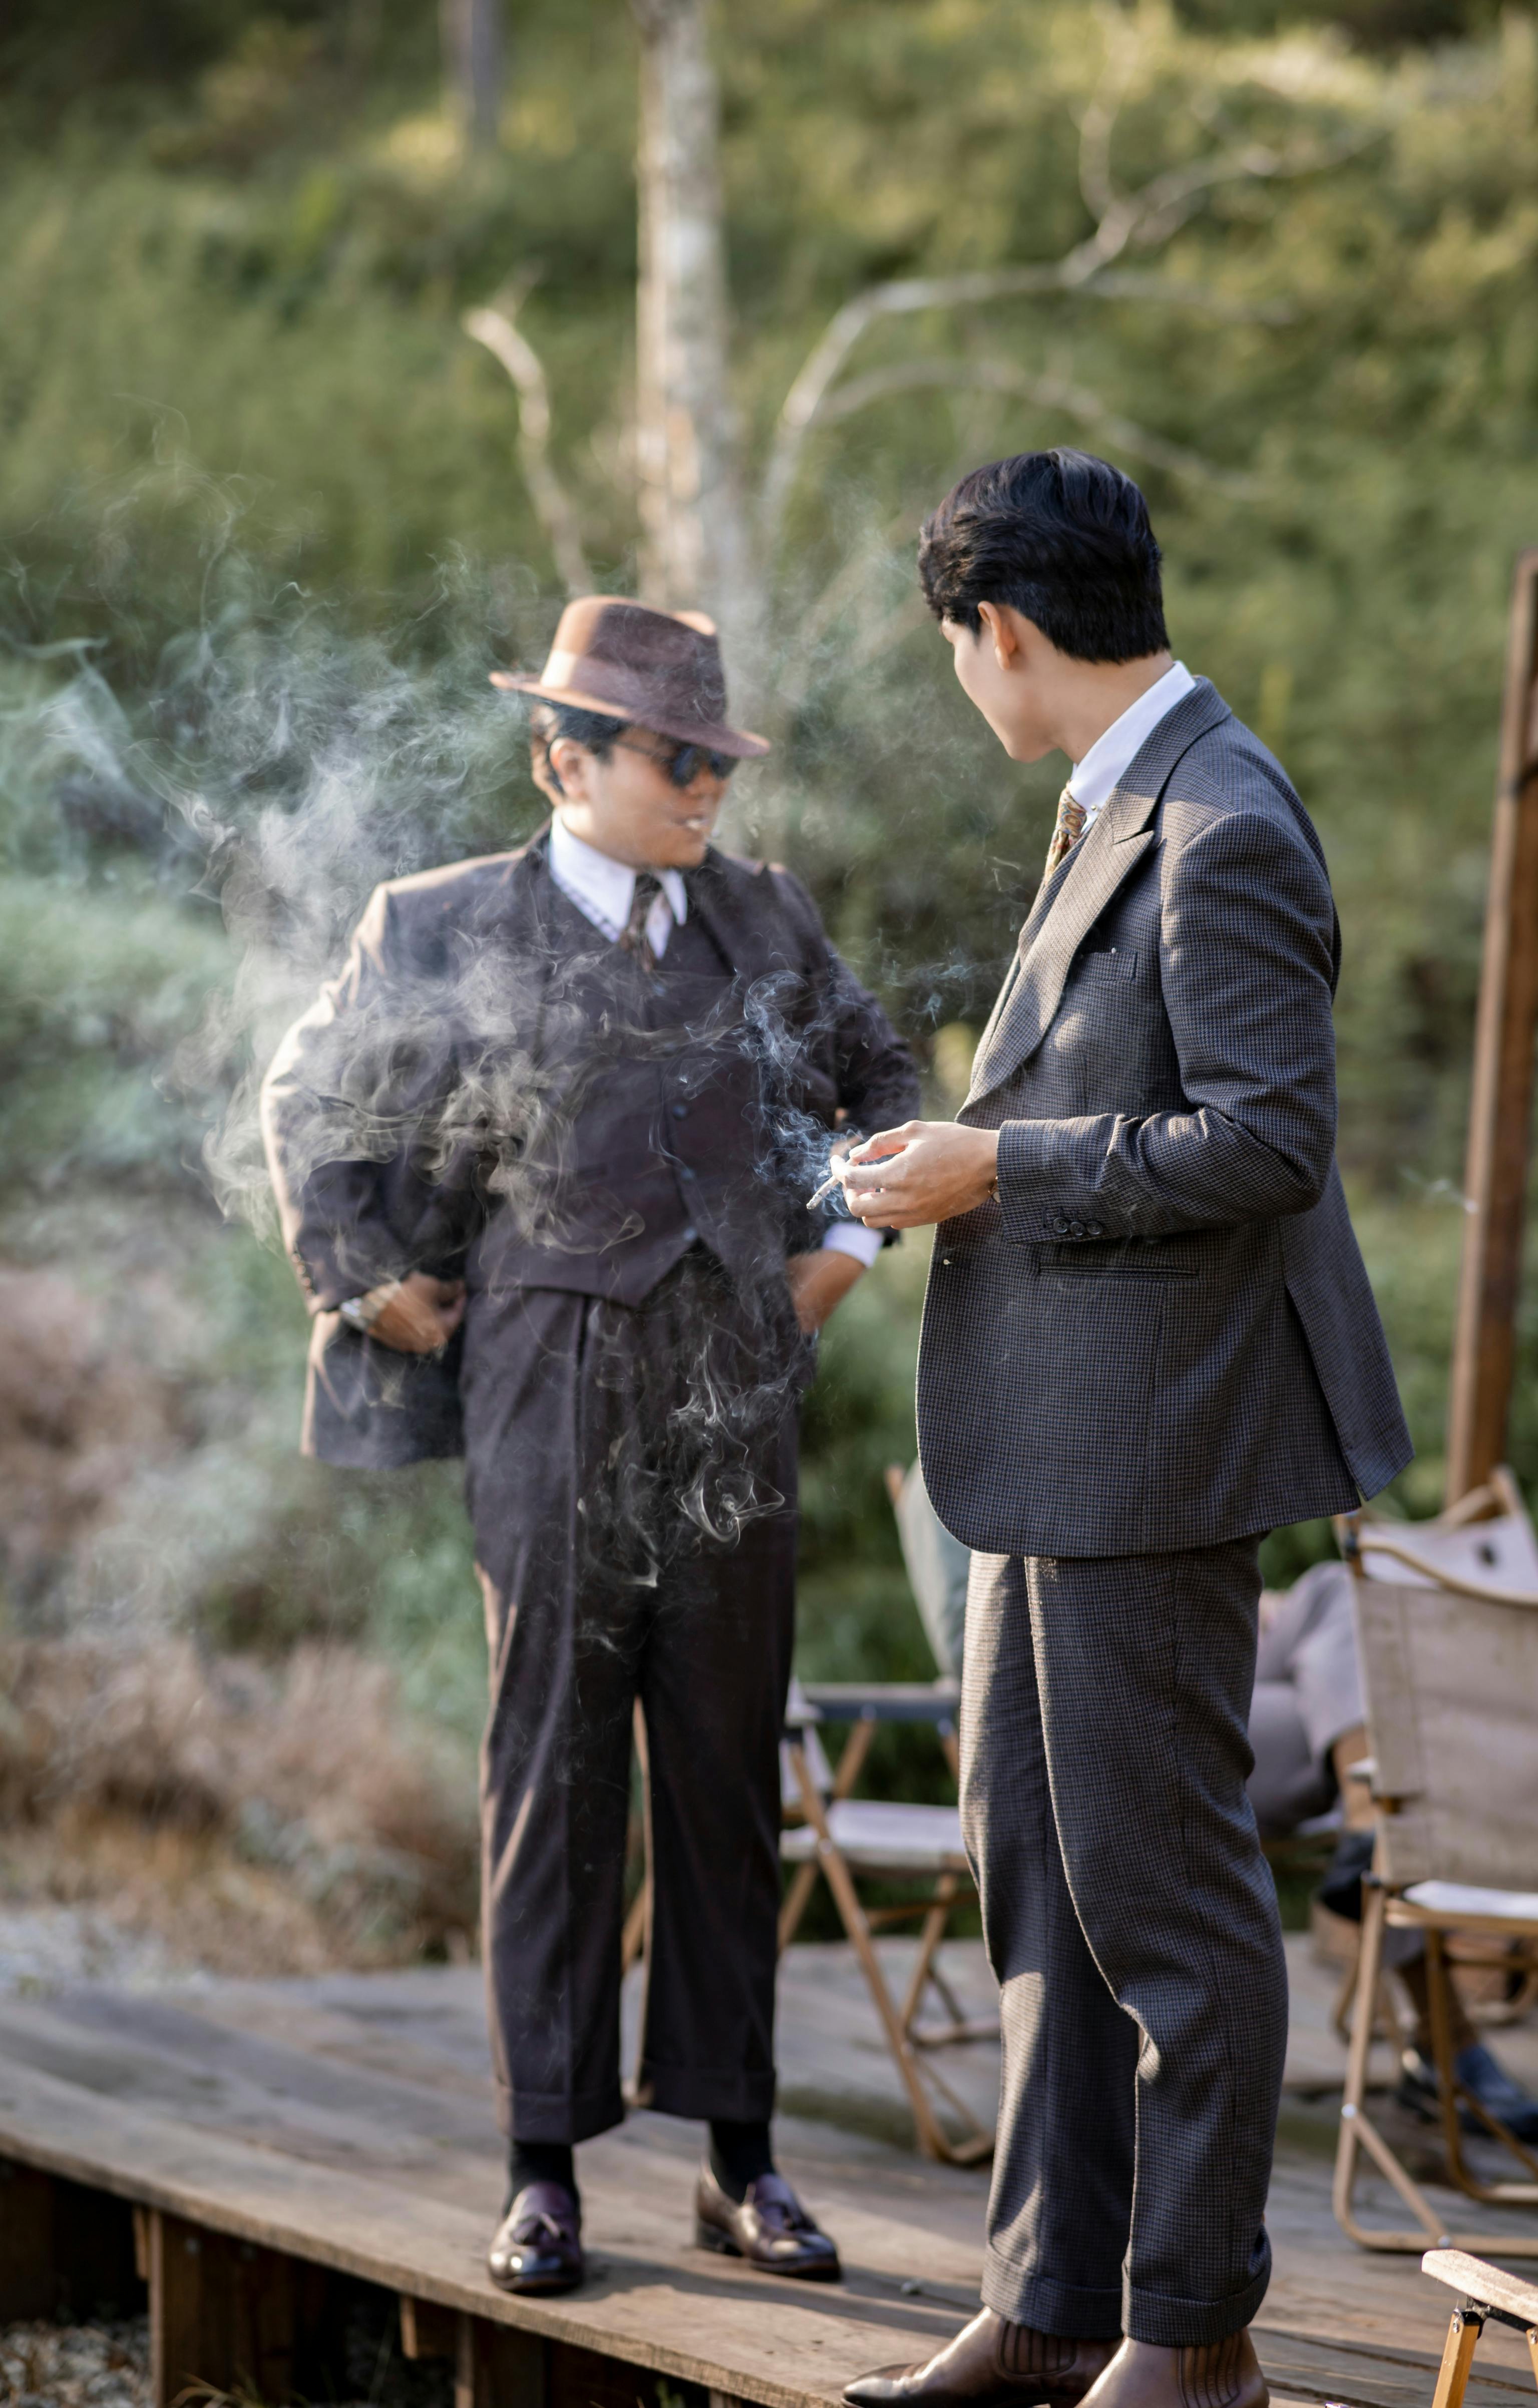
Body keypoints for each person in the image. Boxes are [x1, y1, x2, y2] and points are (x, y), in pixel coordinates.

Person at [838, 450, 1414, 2408]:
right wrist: (964, 1169)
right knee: (1041, 1899)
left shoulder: (1223, 818)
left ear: (998, 630)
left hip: (1155, 1457)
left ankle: (1196, 2335)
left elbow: (1269, 1144)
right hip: (1054, 1454)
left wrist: (993, 1166)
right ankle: (1051, 2300)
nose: (964, 684)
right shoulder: (1124, 797)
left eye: (955, 655)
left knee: (1164, 1910)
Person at [262, 596, 920, 2297]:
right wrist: (371, 1280)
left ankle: (739, 2159)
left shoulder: (763, 917)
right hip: (541, 1373)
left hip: (735, 1383)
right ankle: (541, 2167)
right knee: (553, 1764)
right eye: (673, 756)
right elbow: (308, 1099)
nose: (706, 782)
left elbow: (886, 1083)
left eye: (718, 756)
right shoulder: (435, 923)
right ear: (566, 760)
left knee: (722, 1767)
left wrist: (837, 1263)